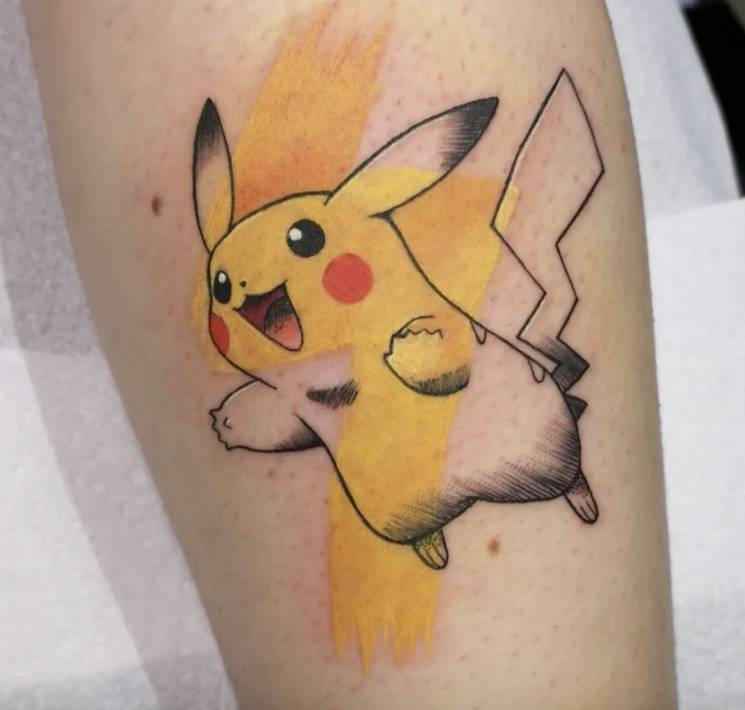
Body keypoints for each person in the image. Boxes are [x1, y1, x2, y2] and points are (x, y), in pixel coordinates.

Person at [23, 1, 677, 707]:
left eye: (305, 244)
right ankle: (433, 528)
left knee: (536, 455)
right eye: (222, 290)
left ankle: (561, 484)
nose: (237, 298)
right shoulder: (303, 376)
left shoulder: (402, 317)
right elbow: (301, 415)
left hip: (518, 615)